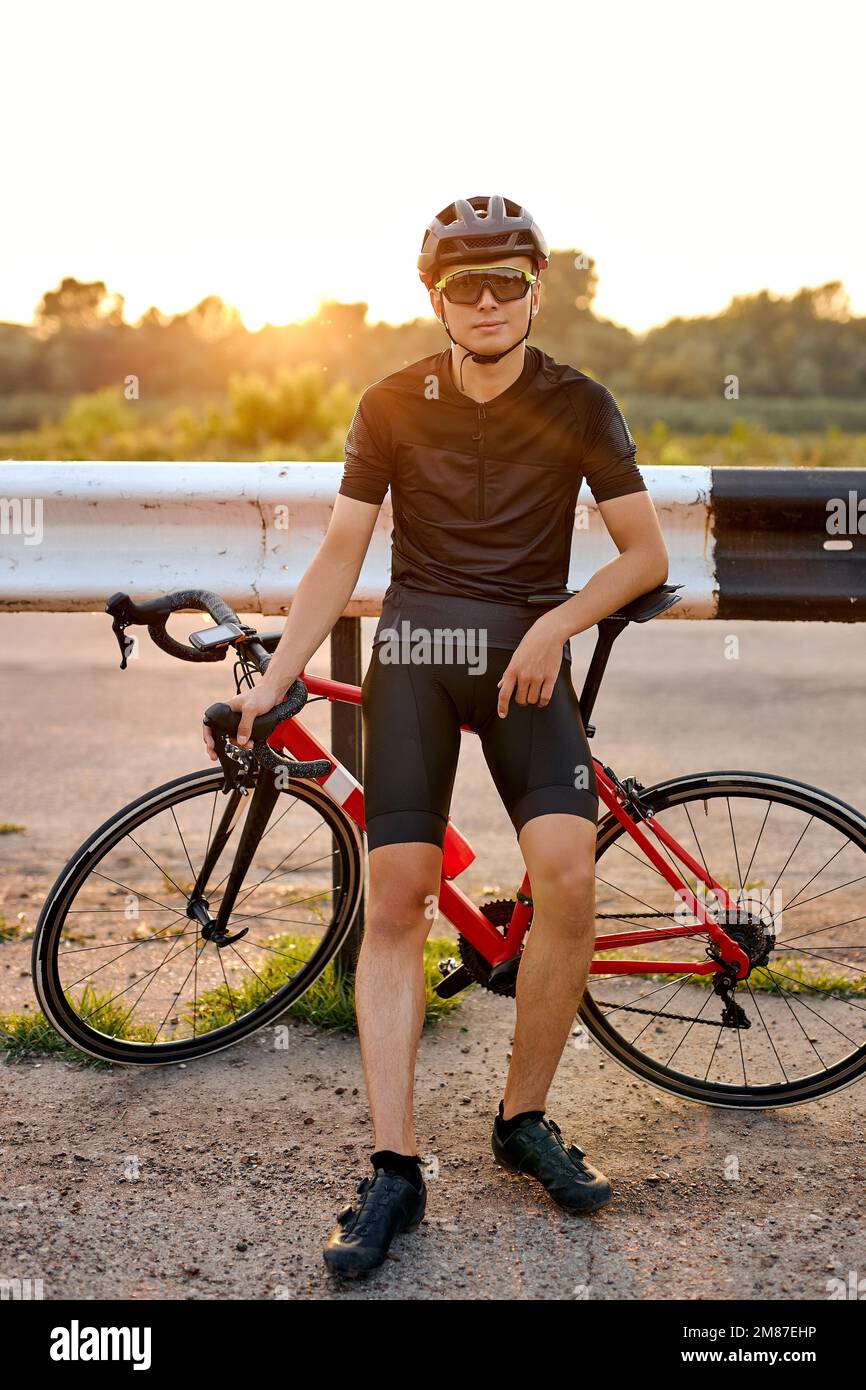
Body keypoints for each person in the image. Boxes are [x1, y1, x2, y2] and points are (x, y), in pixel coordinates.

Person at [202, 195, 669, 1278]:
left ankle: (523, 1119)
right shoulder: (388, 403)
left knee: (568, 878)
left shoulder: (580, 401)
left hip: (526, 657)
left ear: (536, 291)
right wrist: (276, 678)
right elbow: (338, 555)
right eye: (467, 284)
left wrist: (555, 624)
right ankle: (394, 1168)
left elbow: (643, 554)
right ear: (435, 298)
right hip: (415, 652)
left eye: (510, 281)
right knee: (399, 895)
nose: (489, 301)